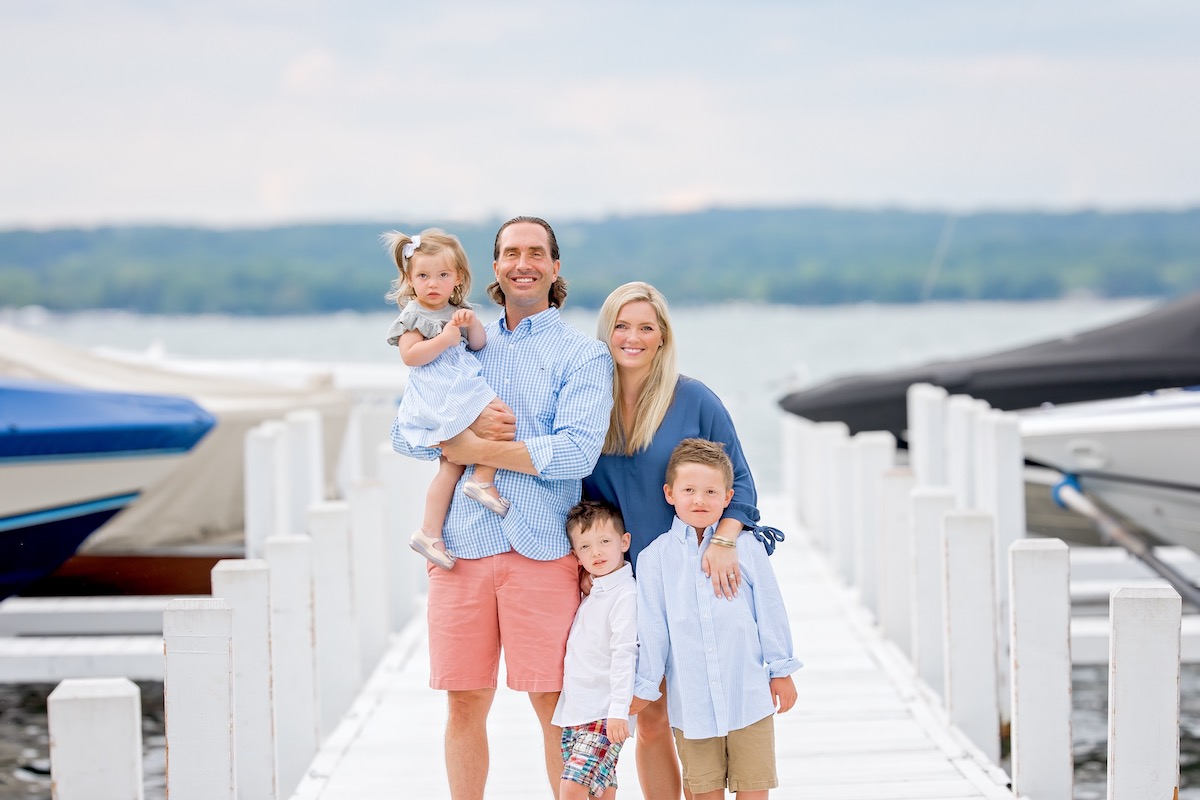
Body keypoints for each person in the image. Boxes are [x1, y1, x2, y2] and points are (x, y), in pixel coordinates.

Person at [390, 216, 614, 799]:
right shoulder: (458, 338)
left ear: (555, 266)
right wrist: (458, 440)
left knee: (556, 702)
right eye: (511, 252)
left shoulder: (584, 356)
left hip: (542, 545)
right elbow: (406, 434)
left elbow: (575, 453)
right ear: (494, 267)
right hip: (460, 548)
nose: (523, 263)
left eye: (536, 253)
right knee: (464, 701)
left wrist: (474, 449)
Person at [582, 280, 781, 798]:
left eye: (646, 327)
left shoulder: (693, 399)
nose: (632, 337)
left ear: (663, 336)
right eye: (621, 326)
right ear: (606, 332)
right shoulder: (588, 401)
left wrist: (725, 542)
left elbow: (741, 483)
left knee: (699, 706)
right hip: (626, 581)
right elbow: (578, 493)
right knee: (649, 716)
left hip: (691, 572)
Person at [631, 438, 799, 799]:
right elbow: (653, 630)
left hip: (748, 697)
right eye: (689, 490)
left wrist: (781, 670)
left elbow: (770, 610)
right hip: (691, 706)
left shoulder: (748, 548)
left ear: (728, 497)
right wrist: (644, 687)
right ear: (669, 493)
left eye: (711, 491)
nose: (700, 500)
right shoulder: (654, 559)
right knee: (704, 792)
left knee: (754, 789)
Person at [383, 228, 513, 571]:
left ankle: (430, 531)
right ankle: (481, 479)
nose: (433, 284)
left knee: (453, 465)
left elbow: (479, 344)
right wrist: (444, 339)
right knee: (500, 418)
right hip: (440, 393)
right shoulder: (414, 314)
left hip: (458, 387)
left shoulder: (457, 311)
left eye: (442, 275)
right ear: (410, 280)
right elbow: (410, 355)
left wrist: (472, 324)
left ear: (458, 278)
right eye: (423, 276)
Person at [552, 500, 638, 799]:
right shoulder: (593, 593)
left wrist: (618, 711)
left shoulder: (625, 595)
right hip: (576, 711)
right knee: (602, 789)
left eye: (604, 542)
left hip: (605, 713)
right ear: (576, 555)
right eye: (585, 547)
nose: (596, 552)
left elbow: (625, 653)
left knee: (572, 788)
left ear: (624, 542)